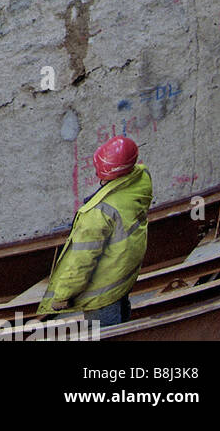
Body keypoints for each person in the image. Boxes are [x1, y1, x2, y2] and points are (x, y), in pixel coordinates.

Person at [37, 136, 151, 328]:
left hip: (102, 292)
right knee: (121, 315)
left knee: (105, 331)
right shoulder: (141, 179)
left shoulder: (98, 213)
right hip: (121, 276)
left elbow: (81, 260)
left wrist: (63, 295)